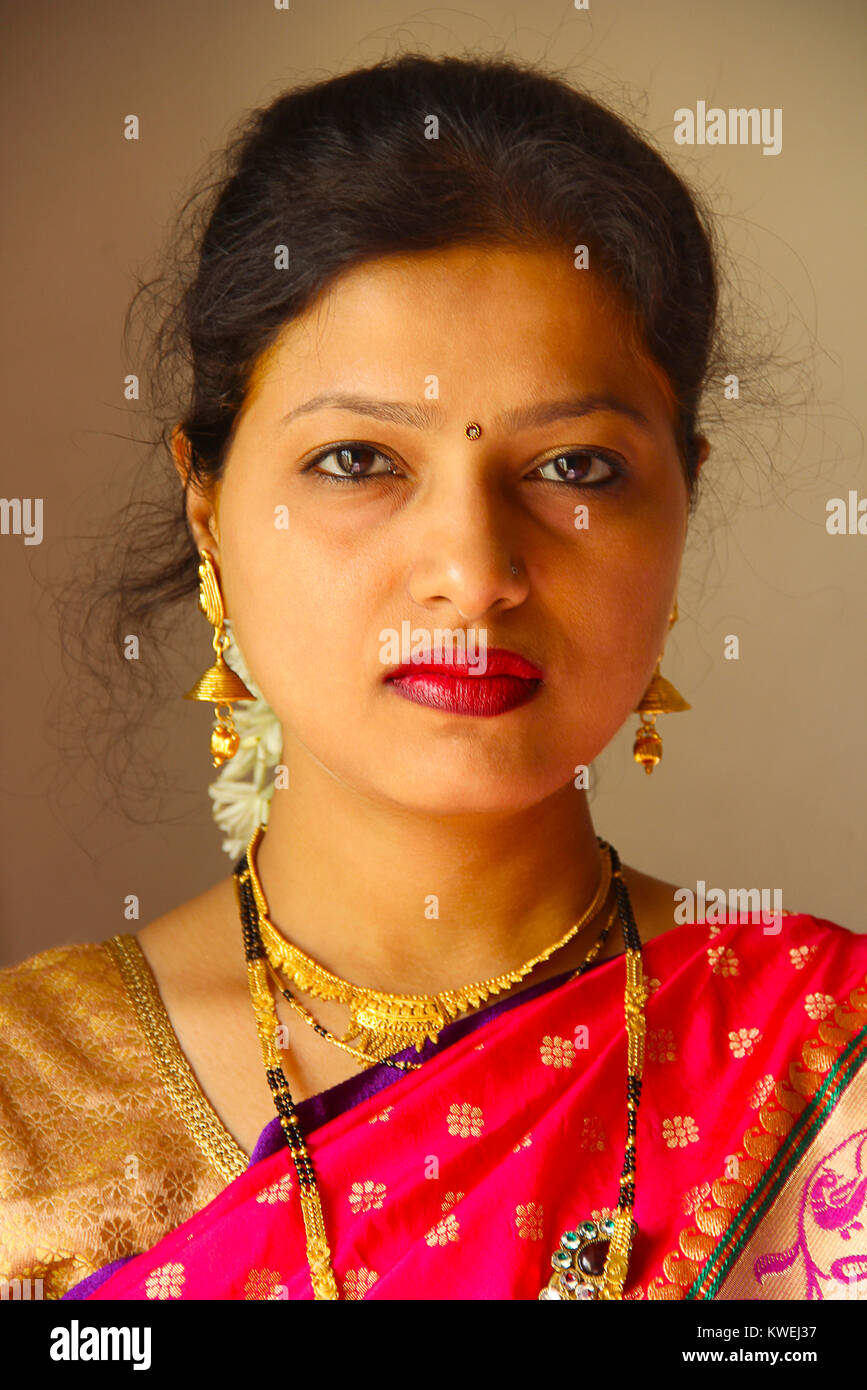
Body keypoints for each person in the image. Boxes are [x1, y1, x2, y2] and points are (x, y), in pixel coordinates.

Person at [1, 52, 864, 1304]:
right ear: (208, 512)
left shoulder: (818, 1066)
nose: (472, 571)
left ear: (684, 504)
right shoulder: (32, 1105)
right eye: (357, 459)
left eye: (575, 467)